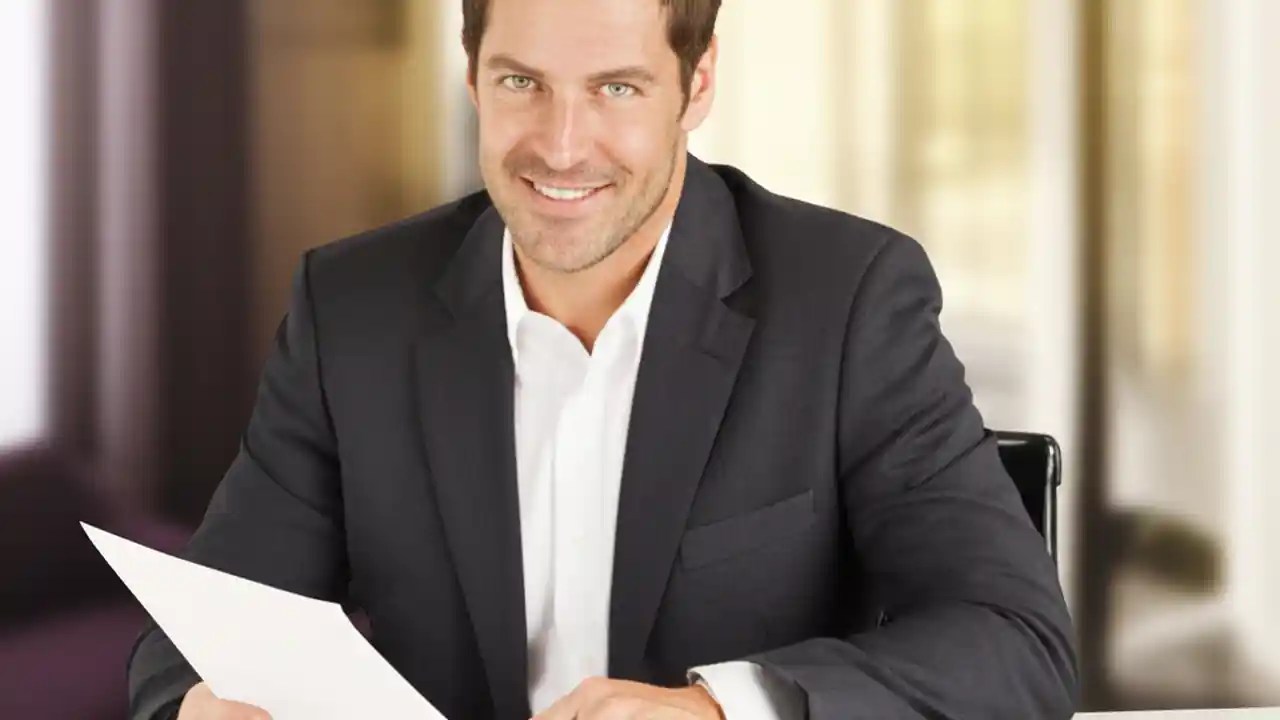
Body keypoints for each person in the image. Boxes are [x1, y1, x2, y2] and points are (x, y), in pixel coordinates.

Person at [127, 0, 1079, 718]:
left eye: (616, 88)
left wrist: (717, 710)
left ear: (697, 83)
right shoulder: (351, 309)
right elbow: (196, 633)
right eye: (519, 82)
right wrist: (203, 703)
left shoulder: (848, 299)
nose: (560, 145)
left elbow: (1016, 645)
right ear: (471, 78)